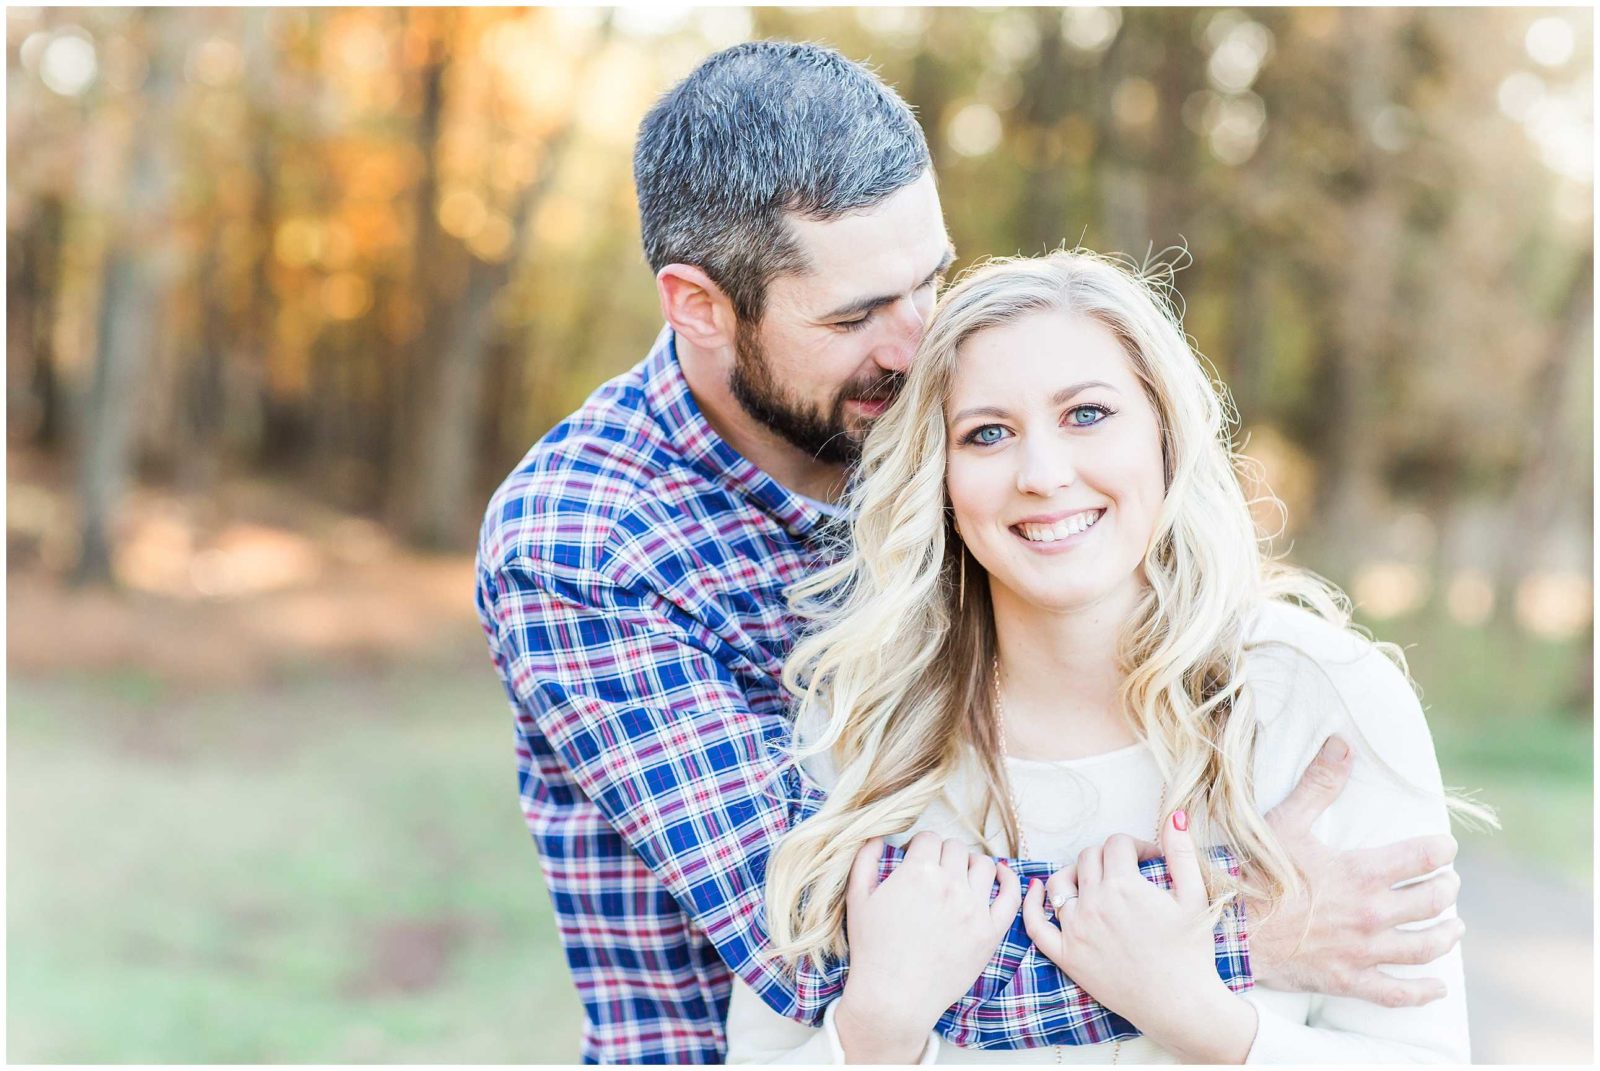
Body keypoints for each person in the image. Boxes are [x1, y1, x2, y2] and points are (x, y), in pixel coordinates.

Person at [474, 42, 1466, 1064]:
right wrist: (1238, 935)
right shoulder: (585, 544)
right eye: (856, 315)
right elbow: (819, 953)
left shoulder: (914, 436)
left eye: (930, 281)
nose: (917, 350)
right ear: (699, 305)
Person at [727, 250, 1488, 1063]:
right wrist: (878, 1024)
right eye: (988, 433)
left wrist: (1199, 1013)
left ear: (1164, 433)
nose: (1044, 474)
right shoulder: (862, 726)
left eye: (1087, 414)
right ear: (939, 475)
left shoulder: (1320, 700)